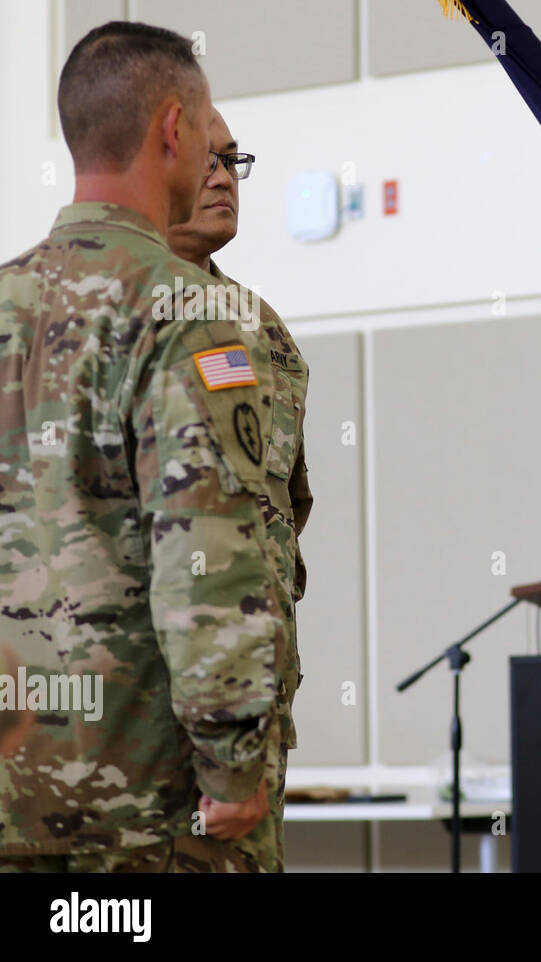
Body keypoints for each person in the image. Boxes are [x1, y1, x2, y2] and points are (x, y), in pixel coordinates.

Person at [0, 21, 283, 872]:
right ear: (172, 129)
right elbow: (209, 554)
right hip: (147, 803)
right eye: (207, 136)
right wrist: (233, 764)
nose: (214, 162)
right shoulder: (189, 311)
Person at [169, 109, 312, 873]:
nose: (224, 173)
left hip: (251, 706)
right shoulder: (103, 309)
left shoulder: (260, 327)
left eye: (234, 158)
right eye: (206, 157)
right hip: (133, 712)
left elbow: (283, 510)